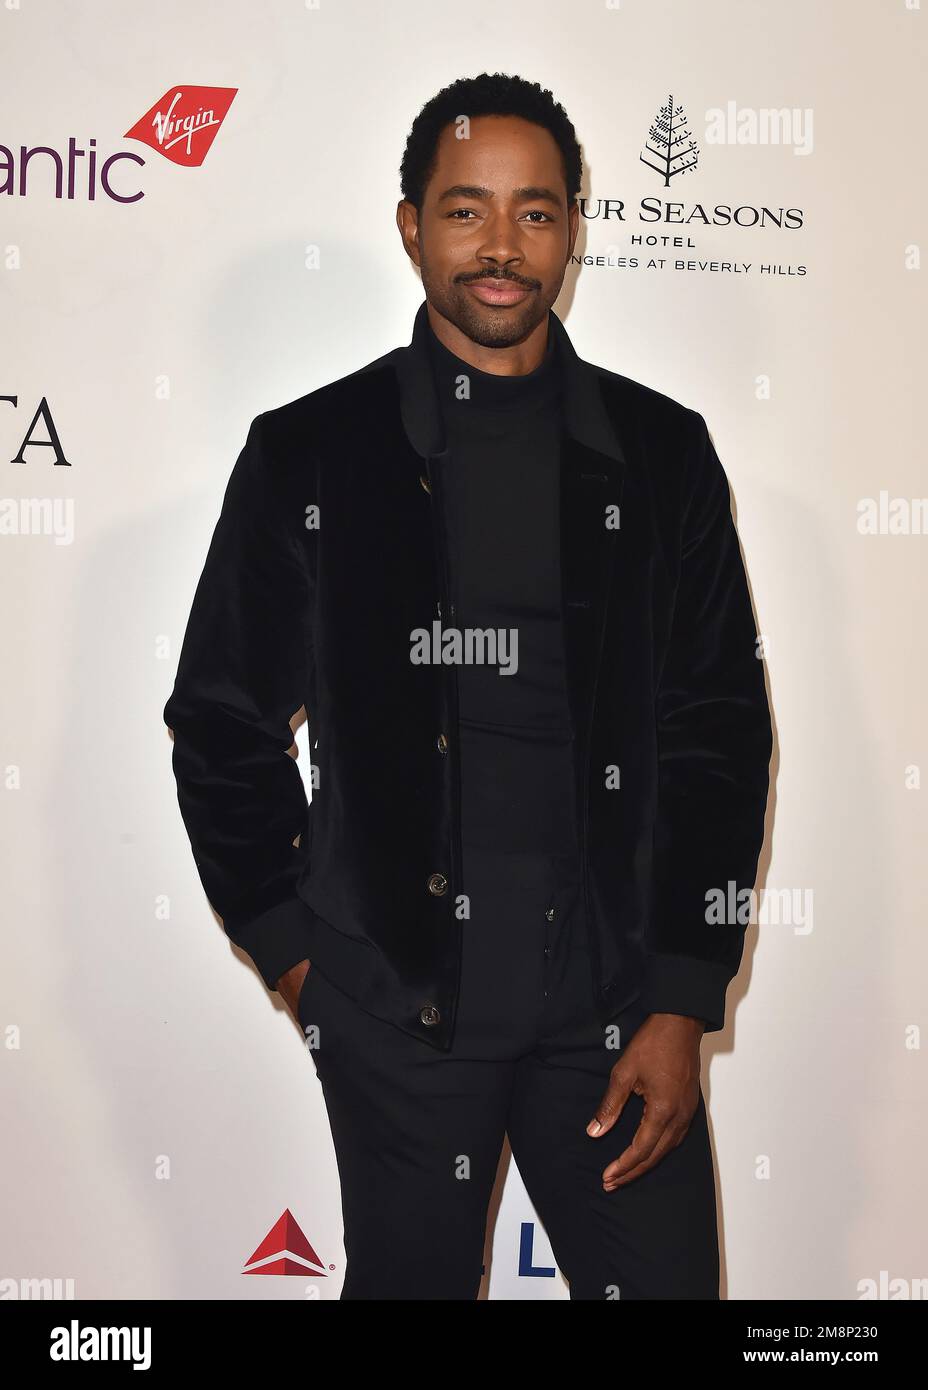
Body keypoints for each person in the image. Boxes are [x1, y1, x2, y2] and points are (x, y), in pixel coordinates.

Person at [162, 72, 773, 1300]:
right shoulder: (312, 452)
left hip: (611, 1011)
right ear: (409, 225)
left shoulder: (659, 455)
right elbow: (221, 722)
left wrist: (680, 998)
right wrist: (299, 962)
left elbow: (717, 727)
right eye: (466, 211)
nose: (501, 247)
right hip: (396, 1012)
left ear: (574, 229)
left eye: (535, 212)